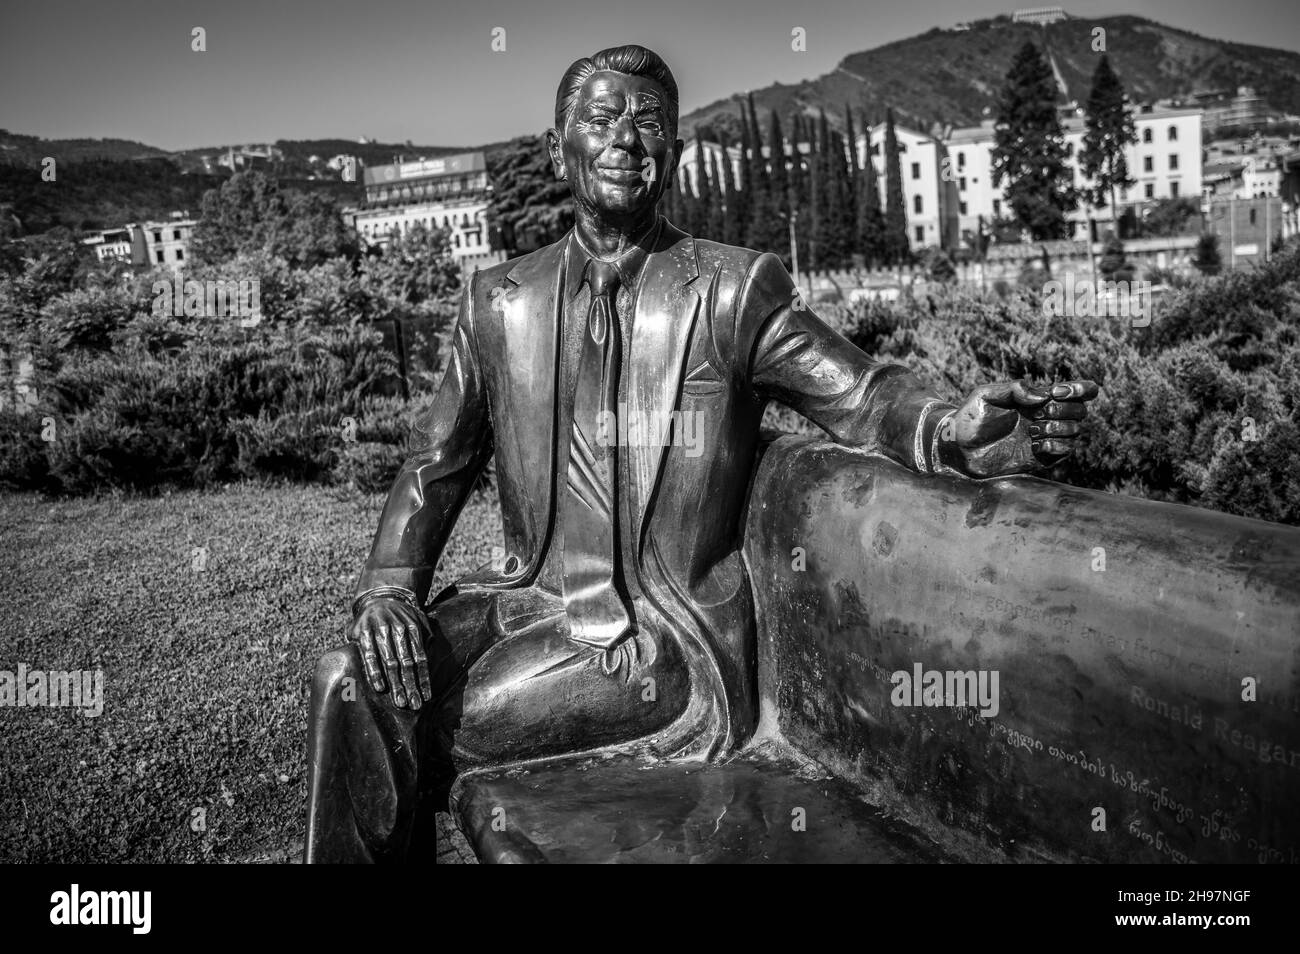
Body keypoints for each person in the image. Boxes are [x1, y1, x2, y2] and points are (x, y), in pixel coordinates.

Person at [304, 44, 1097, 862]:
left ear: (674, 154)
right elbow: (435, 462)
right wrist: (390, 588)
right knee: (347, 682)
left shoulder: (730, 288)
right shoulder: (498, 300)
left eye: (650, 125)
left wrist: (948, 428)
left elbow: (859, 394)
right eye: (602, 120)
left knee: (439, 725)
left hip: (652, 634)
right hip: (529, 598)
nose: (625, 141)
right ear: (558, 148)